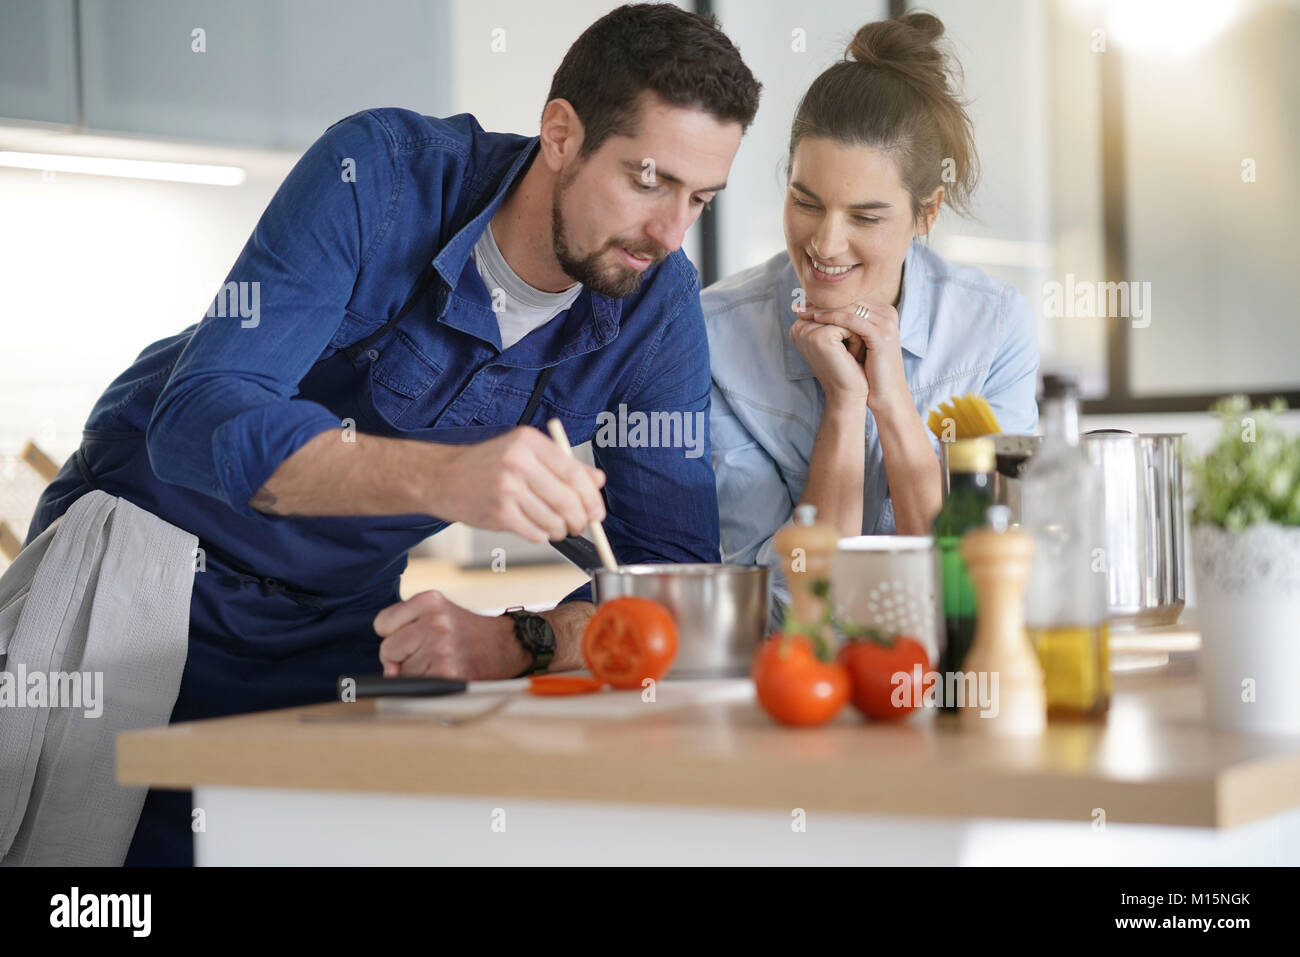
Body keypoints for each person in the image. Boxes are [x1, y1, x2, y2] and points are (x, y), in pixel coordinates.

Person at [23, 3, 761, 865]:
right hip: (146, 578)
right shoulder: (375, 170)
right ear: (561, 133)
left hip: (337, 619)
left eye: (699, 197)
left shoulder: (657, 301)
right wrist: (443, 479)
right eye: (648, 180)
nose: (671, 232)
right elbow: (197, 419)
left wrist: (520, 640)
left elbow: (673, 583)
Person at [703, 11, 1038, 628]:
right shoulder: (716, 338)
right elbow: (789, 611)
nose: (825, 244)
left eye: (865, 217)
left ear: (926, 211)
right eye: (806, 202)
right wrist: (843, 404)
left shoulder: (993, 329)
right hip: (802, 694)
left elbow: (977, 595)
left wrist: (891, 402)